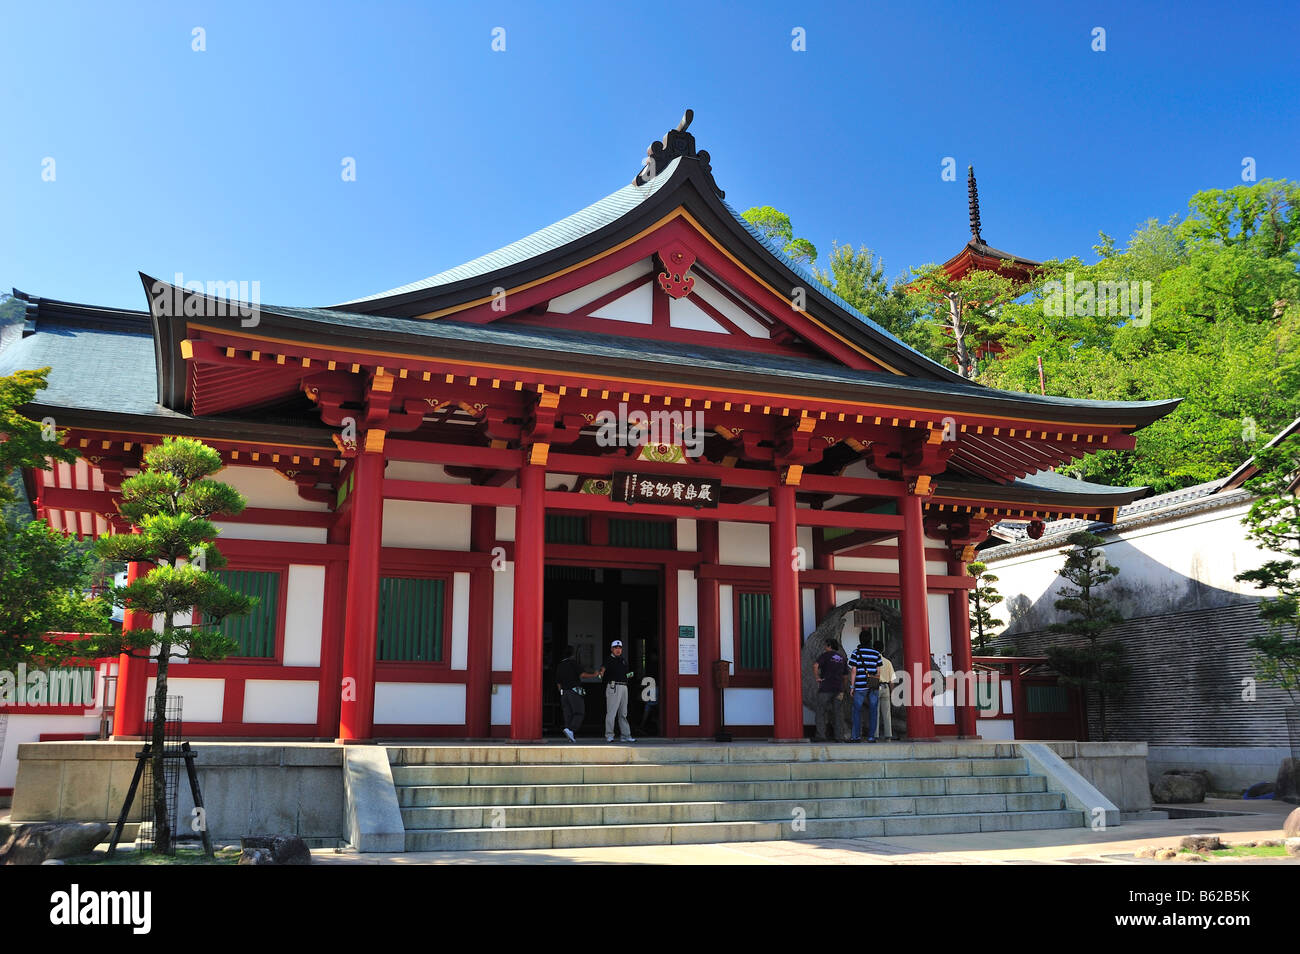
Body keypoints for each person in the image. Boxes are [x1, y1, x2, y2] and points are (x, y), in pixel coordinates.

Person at [555, 646, 599, 742]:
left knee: (568, 714)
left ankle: (570, 734)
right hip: (574, 691)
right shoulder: (573, 663)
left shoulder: (560, 665)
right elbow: (582, 675)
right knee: (579, 712)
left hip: (564, 692)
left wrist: (561, 692)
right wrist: (594, 675)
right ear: (573, 654)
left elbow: (558, 682)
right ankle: (571, 730)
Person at [847, 631, 883, 742]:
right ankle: (871, 736)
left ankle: (856, 736)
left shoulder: (856, 652)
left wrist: (852, 686)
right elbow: (878, 671)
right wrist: (875, 682)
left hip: (860, 686)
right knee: (873, 711)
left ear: (860, 639)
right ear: (870, 639)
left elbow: (853, 670)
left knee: (857, 710)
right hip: (873, 685)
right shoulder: (876, 653)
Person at [598, 640, 636, 742]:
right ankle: (609, 735)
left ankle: (626, 735)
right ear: (612, 649)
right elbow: (603, 669)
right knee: (611, 712)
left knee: (623, 713)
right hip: (613, 686)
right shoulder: (609, 659)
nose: (618, 650)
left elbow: (627, 674)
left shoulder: (623, 660)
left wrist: (630, 675)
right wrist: (600, 673)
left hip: (624, 687)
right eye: (615, 648)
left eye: (619, 648)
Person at [812, 637, 847, 742]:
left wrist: (817, 678)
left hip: (826, 687)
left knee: (820, 711)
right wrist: (843, 689)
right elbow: (845, 676)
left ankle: (821, 735)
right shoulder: (842, 658)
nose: (824, 647)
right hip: (839, 688)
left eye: (825, 645)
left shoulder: (825, 656)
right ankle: (839, 736)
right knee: (838, 713)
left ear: (829, 646)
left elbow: (815, 665)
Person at [876, 644, 897, 741]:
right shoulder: (888, 662)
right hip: (886, 688)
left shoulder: (873, 661)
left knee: (875, 713)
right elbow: (891, 680)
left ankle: (875, 735)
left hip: (875, 687)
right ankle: (888, 735)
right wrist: (892, 692)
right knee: (887, 713)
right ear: (883, 650)